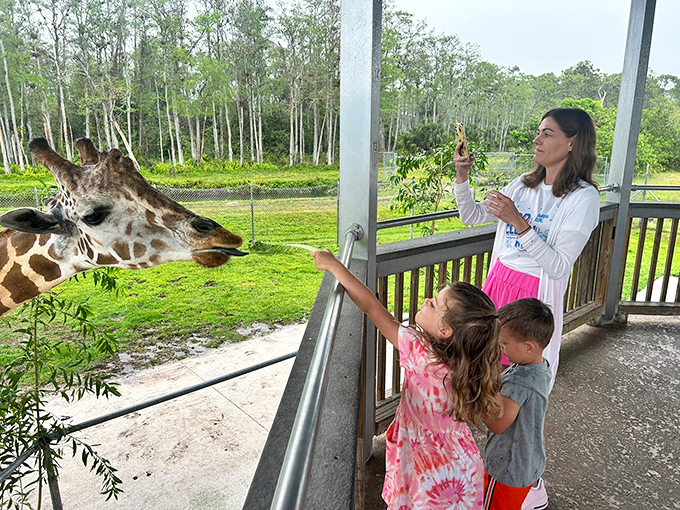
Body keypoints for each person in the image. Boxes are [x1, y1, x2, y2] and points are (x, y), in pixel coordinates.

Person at [454, 107, 600, 508]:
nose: (537, 140)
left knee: (527, 391)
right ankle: (491, 467)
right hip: (497, 283)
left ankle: (529, 481)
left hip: (532, 297)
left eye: (547, 133)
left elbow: (556, 265)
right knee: (487, 377)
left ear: (572, 143)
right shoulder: (521, 183)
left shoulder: (583, 198)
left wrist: (519, 223)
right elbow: (469, 217)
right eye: (538, 132)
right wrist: (463, 177)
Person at [311, 248, 502, 510]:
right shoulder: (471, 365)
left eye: (433, 303)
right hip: (460, 469)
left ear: (445, 330)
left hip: (424, 470)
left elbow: (372, 307)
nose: (425, 300)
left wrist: (335, 266)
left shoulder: (420, 352)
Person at [482, 298, 554, 510]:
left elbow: (497, 424)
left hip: (507, 470)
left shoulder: (518, 382)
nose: (500, 347)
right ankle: (533, 492)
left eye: (504, 343)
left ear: (529, 347)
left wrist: (480, 391)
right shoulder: (542, 369)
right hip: (530, 462)